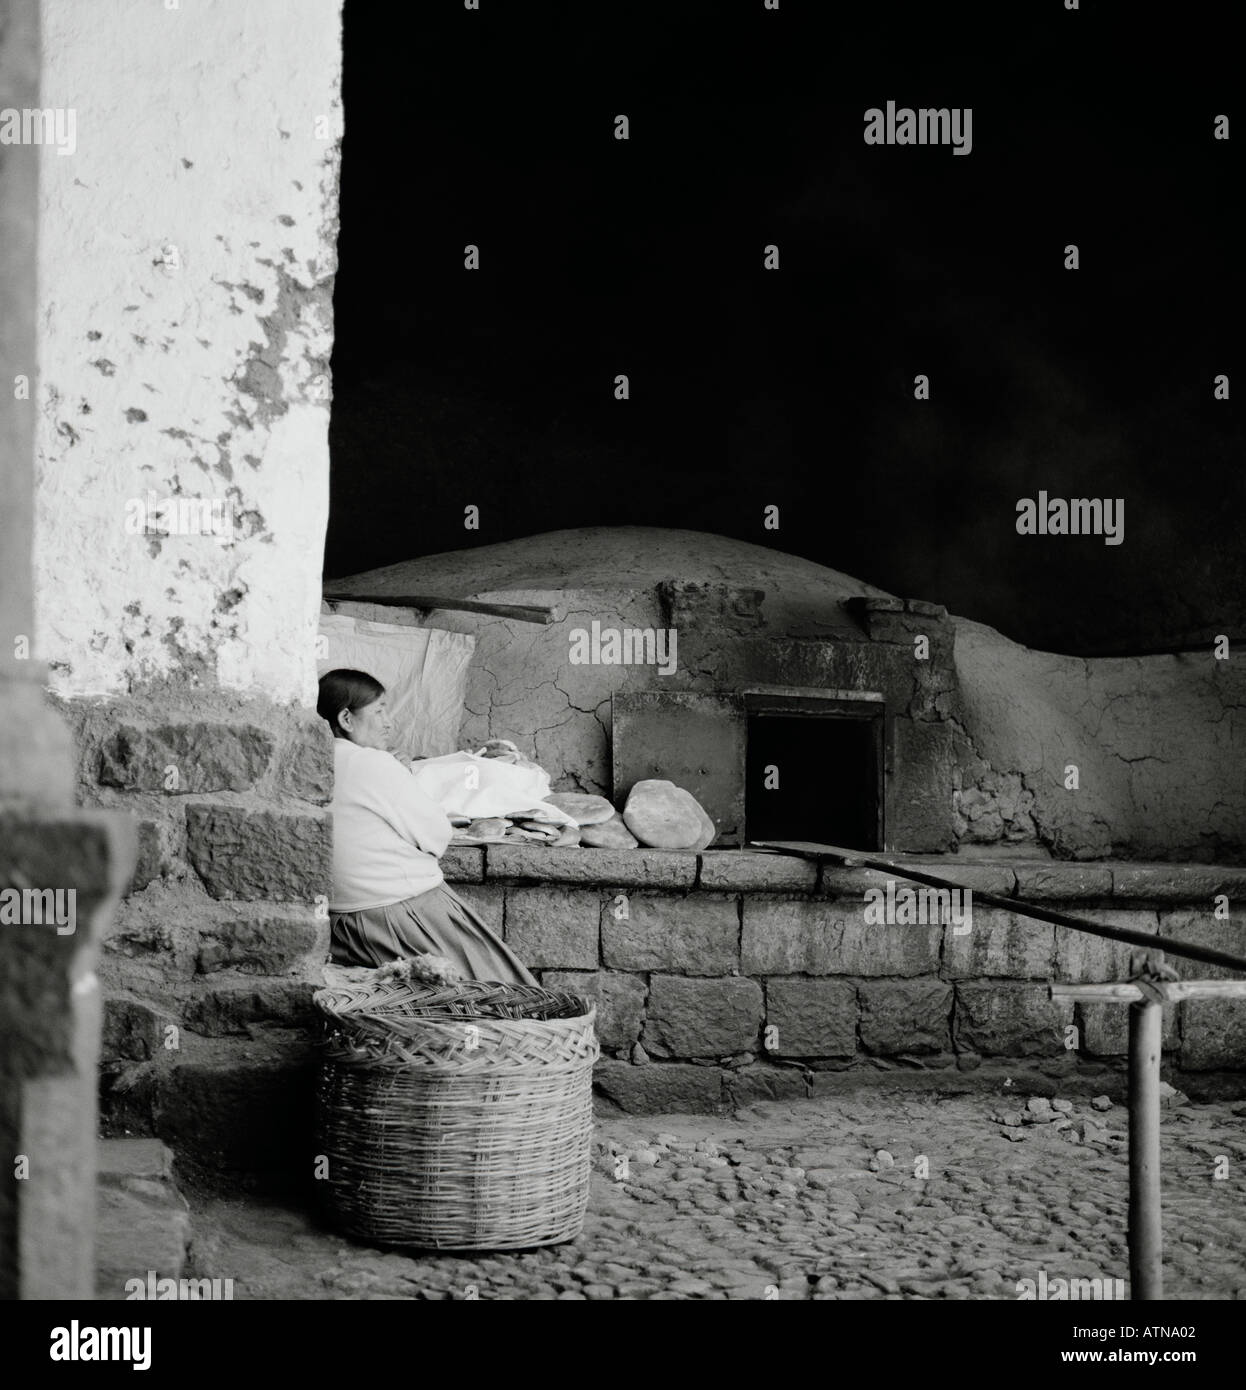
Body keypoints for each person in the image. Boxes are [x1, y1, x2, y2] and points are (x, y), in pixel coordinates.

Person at [316, 667, 537, 984]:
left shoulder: (315, 762)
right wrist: (400, 774)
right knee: (499, 990)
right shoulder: (372, 763)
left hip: (339, 923)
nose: (388, 722)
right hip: (401, 914)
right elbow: (437, 837)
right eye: (379, 711)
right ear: (347, 719)